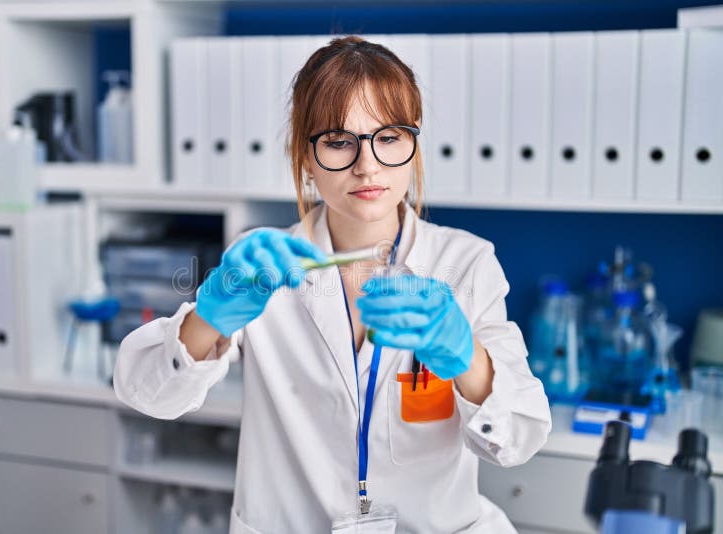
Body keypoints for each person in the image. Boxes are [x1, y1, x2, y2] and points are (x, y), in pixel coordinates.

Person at [114, 35, 551, 533]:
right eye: (340, 141)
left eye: (388, 137)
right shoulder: (266, 263)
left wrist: (467, 356)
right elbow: (145, 394)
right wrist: (206, 319)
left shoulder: (465, 262)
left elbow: (518, 438)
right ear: (305, 158)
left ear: (413, 146)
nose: (367, 164)